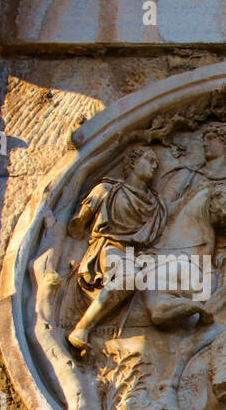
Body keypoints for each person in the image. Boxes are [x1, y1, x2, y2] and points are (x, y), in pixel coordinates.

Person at [67, 145, 173, 352]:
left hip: (141, 255)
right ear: (133, 162)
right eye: (149, 160)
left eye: (156, 164)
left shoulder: (156, 204)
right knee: (129, 278)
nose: (154, 166)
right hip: (110, 249)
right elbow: (76, 225)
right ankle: (82, 328)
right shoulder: (107, 191)